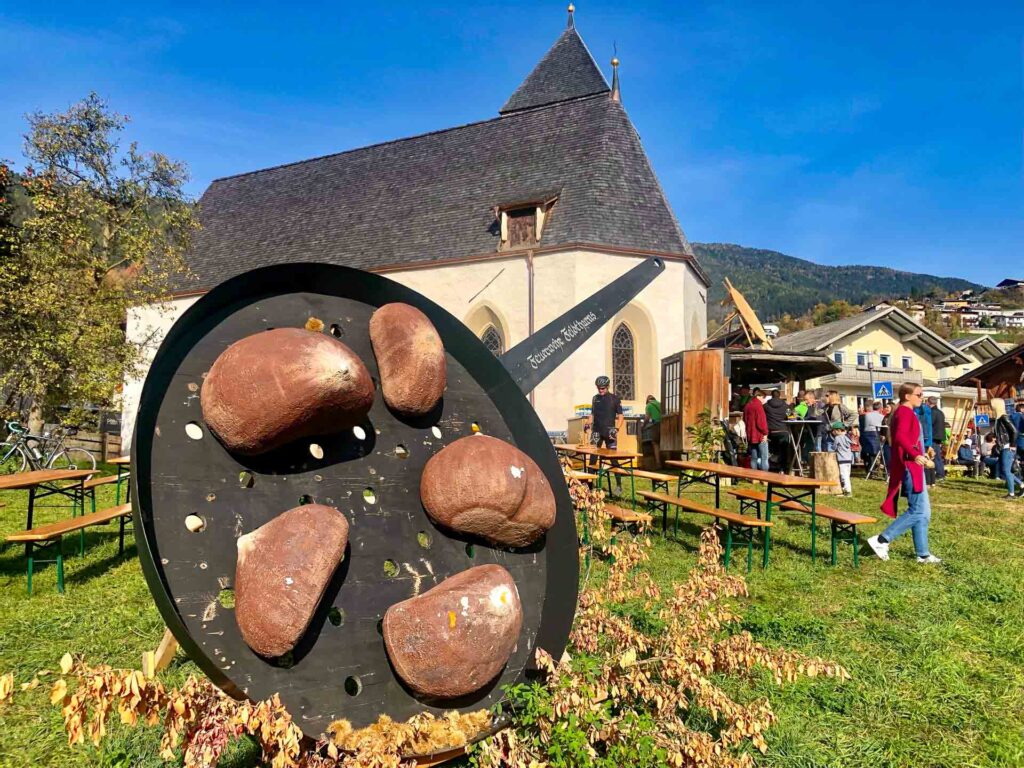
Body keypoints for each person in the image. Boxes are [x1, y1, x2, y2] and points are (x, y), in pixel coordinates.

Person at [869, 382, 940, 564]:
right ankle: (881, 540)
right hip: (910, 466)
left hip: (914, 464)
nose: (921, 397)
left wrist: (922, 452)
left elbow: (909, 439)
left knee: (923, 513)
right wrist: (916, 454)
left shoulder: (907, 412)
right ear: (907, 396)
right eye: (919, 394)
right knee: (918, 510)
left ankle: (922, 554)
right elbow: (900, 437)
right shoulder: (904, 412)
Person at [584, 375, 624, 487]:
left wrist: (617, 428)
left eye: (603, 388)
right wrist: (587, 423)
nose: (600, 390)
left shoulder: (615, 399)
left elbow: (621, 416)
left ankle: (619, 486)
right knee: (592, 459)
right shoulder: (595, 398)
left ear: (607, 386)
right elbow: (592, 414)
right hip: (596, 431)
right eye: (598, 388)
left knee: (613, 459)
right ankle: (590, 486)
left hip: (610, 431)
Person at [992, 398, 1022, 499]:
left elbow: (1014, 432)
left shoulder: (1004, 417)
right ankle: (1020, 486)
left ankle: (1011, 493)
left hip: (1008, 447)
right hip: (1005, 447)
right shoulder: (999, 418)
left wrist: (1012, 445)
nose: (991, 406)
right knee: (1006, 470)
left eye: (992, 404)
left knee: (1006, 471)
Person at [764, 389, 793, 472]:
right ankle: (784, 469)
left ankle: (773, 468)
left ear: (772, 396)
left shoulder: (766, 406)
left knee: (773, 451)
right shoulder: (785, 406)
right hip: (783, 430)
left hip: (771, 432)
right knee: (784, 451)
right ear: (779, 396)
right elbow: (791, 417)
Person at [743, 388, 769, 471]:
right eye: (763, 397)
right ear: (758, 396)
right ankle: (765, 478)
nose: (763, 399)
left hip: (751, 434)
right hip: (759, 434)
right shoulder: (758, 406)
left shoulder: (747, 405)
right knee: (764, 457)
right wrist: (765, 433)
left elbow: (744, 419)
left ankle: (754, 477)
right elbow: (761, 422)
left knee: (754, 457)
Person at [861, 401, 884, 472]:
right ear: (880, 408)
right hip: (875, 433)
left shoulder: (866, 415)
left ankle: (869, 468)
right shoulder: (882, 416)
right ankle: (873, 470)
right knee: (876, 453)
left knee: (868, 452)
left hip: (866, 434)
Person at [832, 422, 854, 495]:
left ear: (838, 430)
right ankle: (845, 490)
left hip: (842, 459)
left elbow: (834, 447)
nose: (833, 432)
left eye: (834, 430)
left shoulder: (837, 438)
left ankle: (848, 491)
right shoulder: (847, 436)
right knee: (847, 474)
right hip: (849, 459)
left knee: (844, 475)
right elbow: (851, 443)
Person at [928, 397, 947, 481]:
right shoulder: (940, 412)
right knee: (937, 456)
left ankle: (940, 474)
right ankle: (940, 473)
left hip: (934, 436)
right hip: (939, 436)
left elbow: (930, 424)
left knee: (935, 455)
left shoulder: (932, 412)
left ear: (929, 402)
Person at [642, 394, 662, 468]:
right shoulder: (660, 404)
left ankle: (658, 463)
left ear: (647, 401)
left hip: (656, 424)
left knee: (655, 443)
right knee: (662, 442)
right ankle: (666, 462)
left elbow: (647, 418)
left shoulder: (649, 406)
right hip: (664, 424)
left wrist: (643, 426)